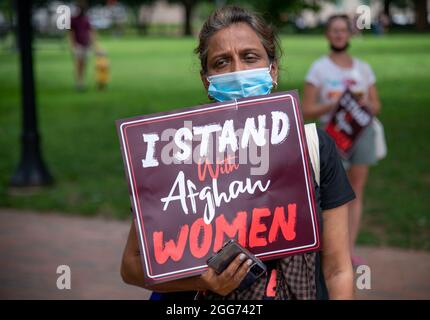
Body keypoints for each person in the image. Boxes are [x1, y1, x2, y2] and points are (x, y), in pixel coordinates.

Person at [121, 6, 355, 300]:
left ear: (273, 69)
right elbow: (132, 266)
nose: (238, 72)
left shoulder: (312, 147)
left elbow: (338, 270)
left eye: (249, 57)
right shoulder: (175, 152)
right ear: (207, 80)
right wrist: (202, 282)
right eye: (221, 62)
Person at [302, 14, 382, 267]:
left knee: (356, 191)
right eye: (334, 30)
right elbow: (306, 109)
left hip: (361, 133)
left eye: (343, 30)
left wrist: (365, 103)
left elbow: (376, 105)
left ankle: (348, 250)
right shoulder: (319, 68)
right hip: (333, 134)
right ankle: (331, 251)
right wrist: (333, 104)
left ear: (350, 34)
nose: (338, 34)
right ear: (327, 34)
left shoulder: (363, 68)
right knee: (335, 194)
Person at [69, 1, 96, 91]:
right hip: (78, 44)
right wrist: (73, 44)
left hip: (86, 44)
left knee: (84, 64)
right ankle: (79, 82)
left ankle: (82, 81)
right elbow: (71, 32)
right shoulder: (73, 19)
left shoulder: (86, 18)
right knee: (79, 64)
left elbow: (90, 31)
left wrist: (93, 44)